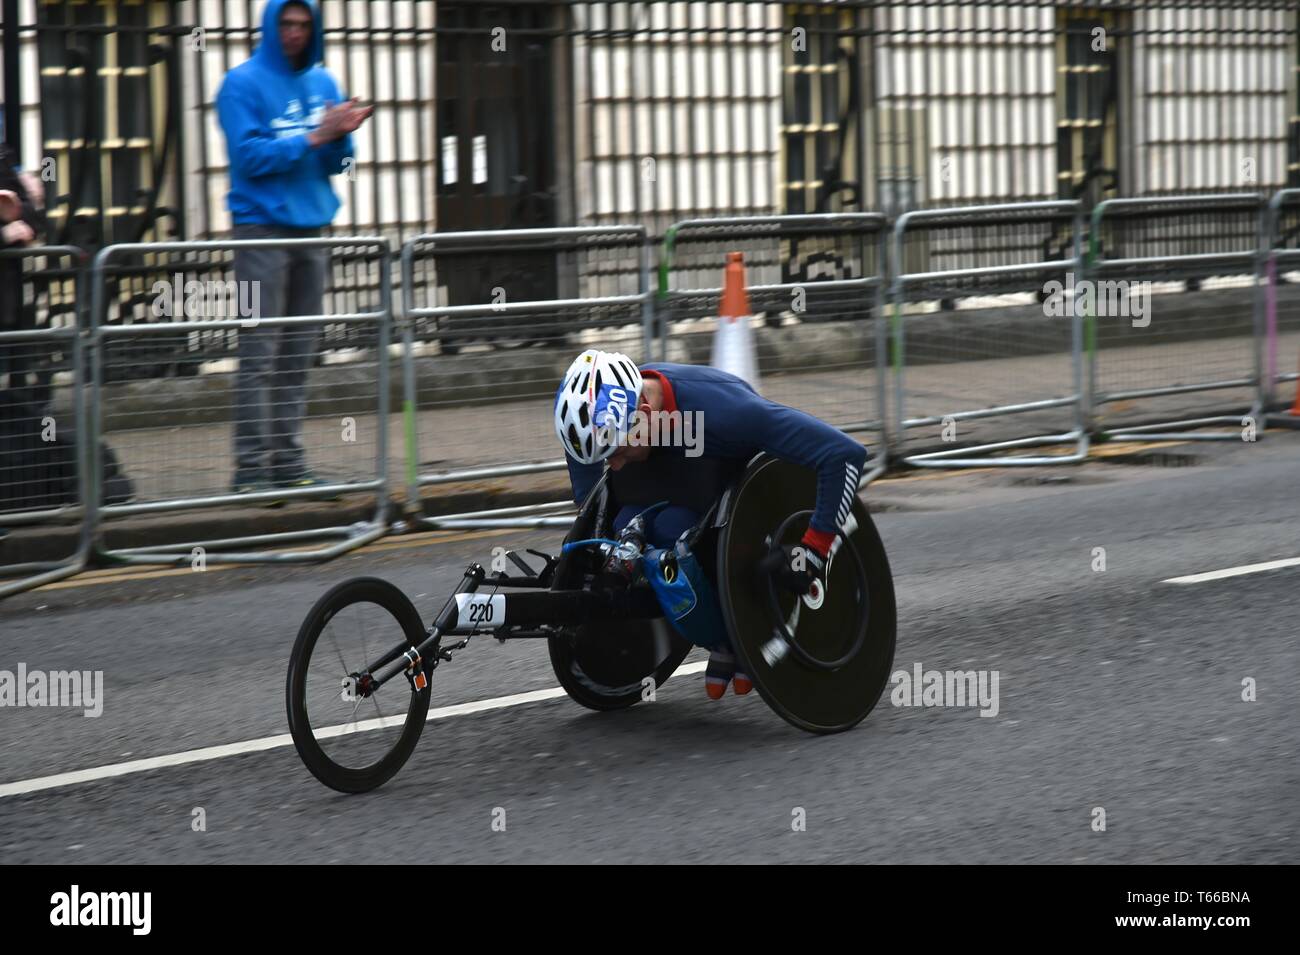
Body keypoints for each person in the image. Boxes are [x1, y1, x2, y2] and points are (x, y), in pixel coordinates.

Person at [555, 349, 867, 699]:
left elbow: (844, 455)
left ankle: (729, 629)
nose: (612, 465)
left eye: (618, 451)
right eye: (602, 453)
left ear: (644, 414)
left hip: (717, 482)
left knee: (670, 533)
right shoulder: (595, 418)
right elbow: (590, 498)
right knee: (622, 525)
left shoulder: (728, 415)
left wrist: (812, 553)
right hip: (665, 482)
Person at [216, 0, 372, 492]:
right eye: (286, 23)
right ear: (270, 25)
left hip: (313, 227)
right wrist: (313, 136)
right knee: (259, 350)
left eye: (304, 25)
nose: (295, 33)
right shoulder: (240, 84)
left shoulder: (324, 83)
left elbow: (336, 166)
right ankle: (250, 469)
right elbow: (248, 158)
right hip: (259, 229)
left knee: (298, 353)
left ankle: (287, 462)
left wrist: (341, 137)